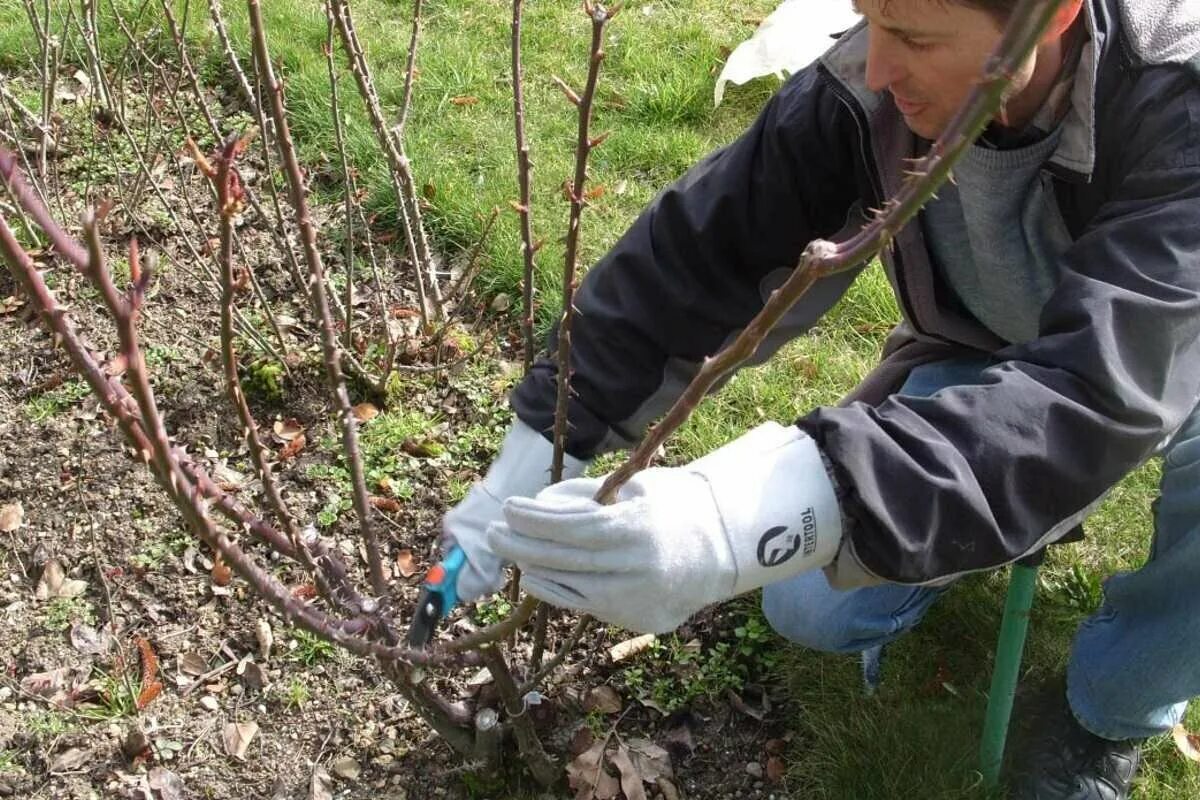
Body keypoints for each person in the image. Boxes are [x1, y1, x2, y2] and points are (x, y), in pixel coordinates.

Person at [440, 0, 1200, 797]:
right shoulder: (866, 86)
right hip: (998, 349)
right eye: (870, 16)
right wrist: (537, 447)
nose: (876, 67)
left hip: (1173, 347)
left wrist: (762, 515)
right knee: (813, 611)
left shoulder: (1178, 100)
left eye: (911, 37)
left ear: (1054, 16)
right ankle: (1003, 516)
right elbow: (703, 254)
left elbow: (1099, 390)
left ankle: (1114, 707)